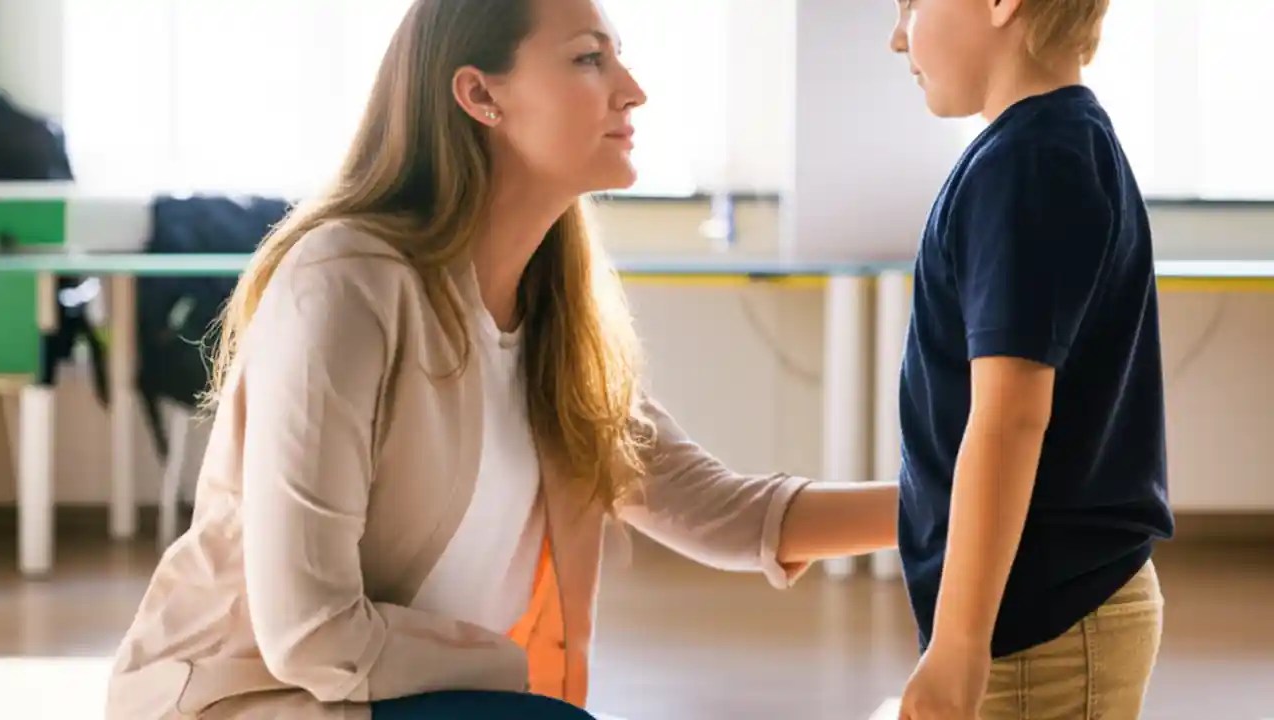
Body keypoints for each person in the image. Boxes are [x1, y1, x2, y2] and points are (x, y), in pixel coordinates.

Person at [105, 1, 900, 718]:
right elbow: (310, 635)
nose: (633, 90)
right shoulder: (346, 284)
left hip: (399, 696)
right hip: (250, 701)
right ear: (481, 96)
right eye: (591, 58)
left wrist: (964, 504)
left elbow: (729, 513)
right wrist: (505, 667)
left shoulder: (553, 318)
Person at [886, 0, 1175, 718]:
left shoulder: (1029, 164)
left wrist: (957, 643)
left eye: (910, 5)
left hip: (1043, 630)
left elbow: (1010, 416)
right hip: (1059, 613)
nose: (898, 38)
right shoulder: (1048, 147)